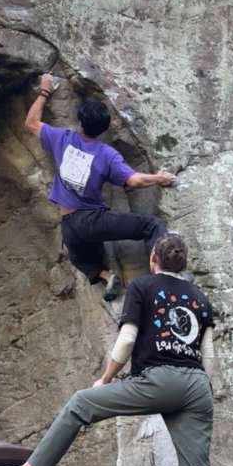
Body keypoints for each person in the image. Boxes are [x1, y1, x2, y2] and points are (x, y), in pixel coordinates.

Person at [0, 233, 218, 466]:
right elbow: (208, 352)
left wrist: (106, 379)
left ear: (154, 257)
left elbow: (127, 340)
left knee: (81, 403)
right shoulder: (200, 297)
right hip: (197, 386)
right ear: (182, 263)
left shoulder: (143, 287)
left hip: (159, 379)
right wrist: (204, 388)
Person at [26, 72, 176, 300]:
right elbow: (134, 180)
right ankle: (164, 276)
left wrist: (45, 90)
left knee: (83, 259)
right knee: (153, 225)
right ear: (104, 128)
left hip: (70, 227)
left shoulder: (62, 139)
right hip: (92, 221)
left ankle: (106, 276)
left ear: (79, 122)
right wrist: (159, 178)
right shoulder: (106, 154)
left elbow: (31, 123)